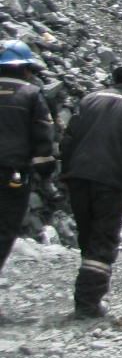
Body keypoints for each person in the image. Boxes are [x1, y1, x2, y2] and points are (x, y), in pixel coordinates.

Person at [60, 58, 122, 318]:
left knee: (87, 234)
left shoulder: (89, 100)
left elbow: (69, 138)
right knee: (103, 239)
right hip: (111, 182)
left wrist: (65, 174)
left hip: (78, 176)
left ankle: (87, 293)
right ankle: (88, 303)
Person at [0, 42, 54, 277]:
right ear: (26, 69)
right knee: (4, 229)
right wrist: (45, 171)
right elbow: (43, 134)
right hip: (12, 173)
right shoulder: (31, 94)